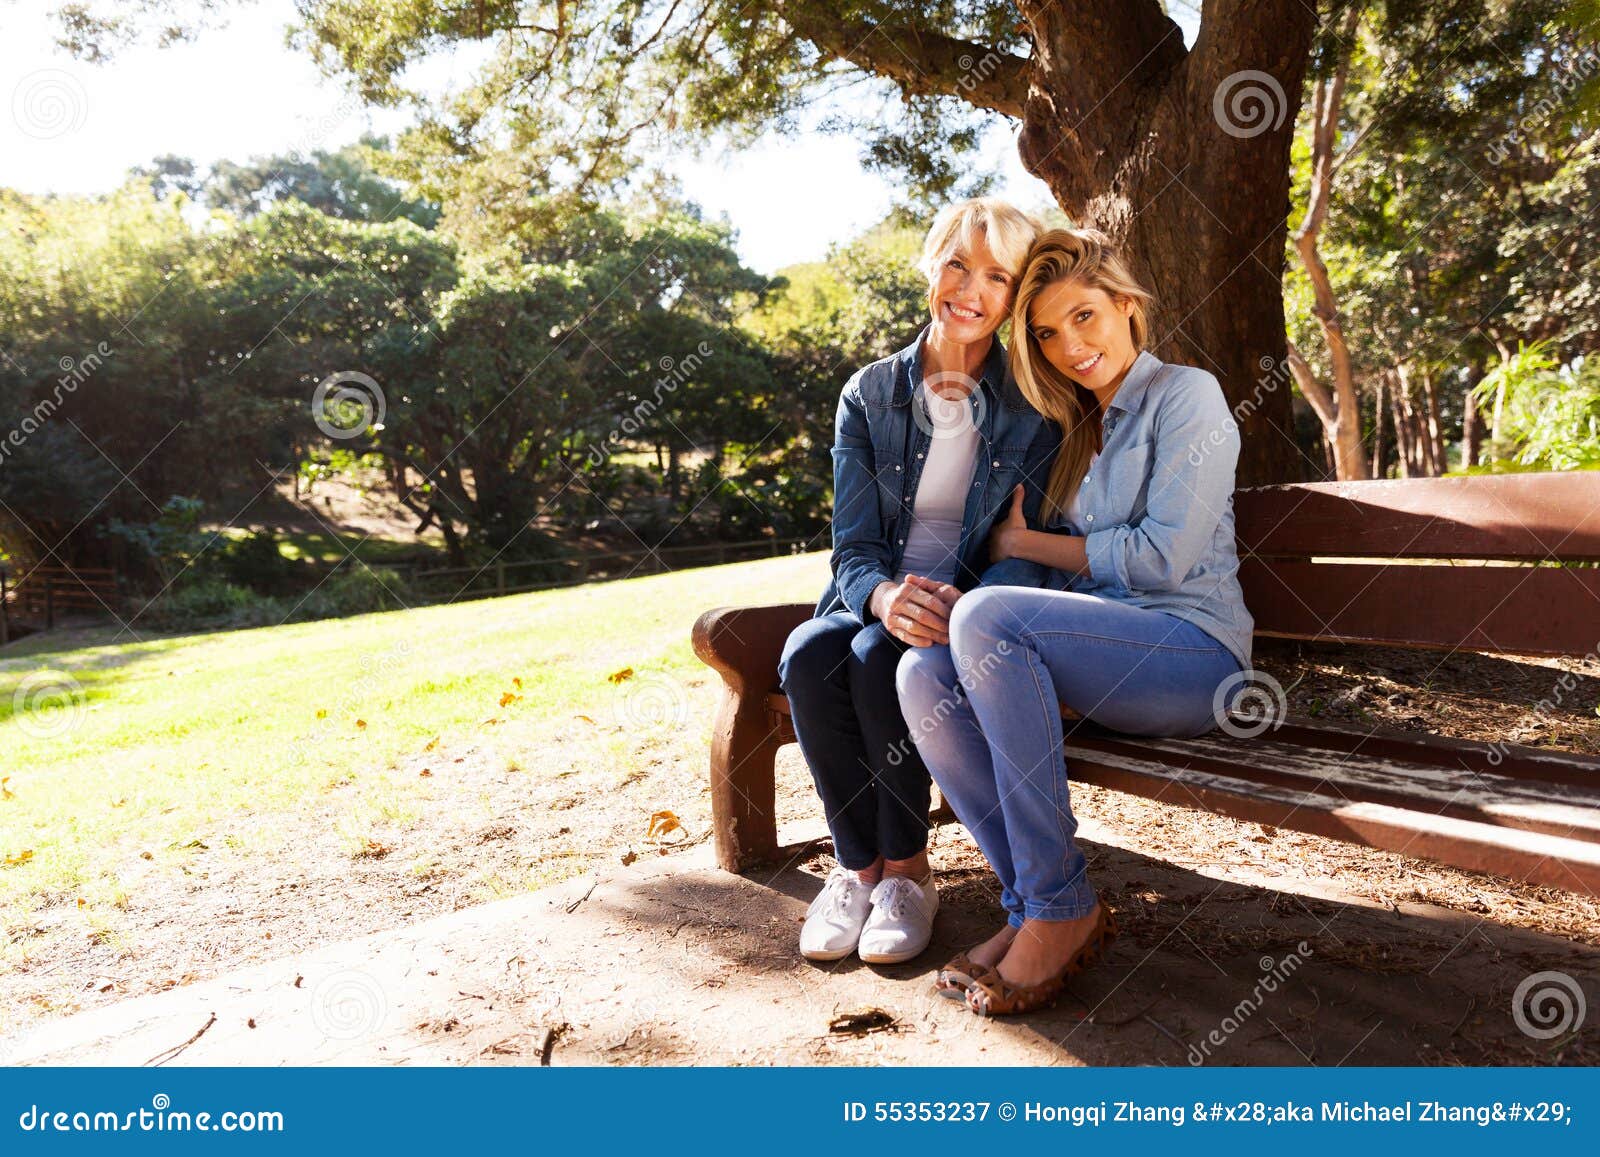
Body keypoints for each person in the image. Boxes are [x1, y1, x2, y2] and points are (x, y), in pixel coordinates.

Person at [896, 227, 1254, 1014]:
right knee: (923, 670)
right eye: (1048, 333)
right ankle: (1039, 903)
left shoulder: (1186, 395)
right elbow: (1041, 576)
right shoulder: (1076, 428)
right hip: (1109, 655)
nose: (1069, 345)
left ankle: (1056, 913)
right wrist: (980, 592)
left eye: (1085, 317)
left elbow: (1161, 561)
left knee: (988, 619)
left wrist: (1027, 547)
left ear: (1128, 306)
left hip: (1197, 656)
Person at [779, 197, 1056, 965]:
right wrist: (883, 595)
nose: (971, 289)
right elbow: (852, 548)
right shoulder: (868, 394)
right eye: (958, 264)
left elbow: (1031, 547)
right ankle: (855, 868)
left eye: (997, 276)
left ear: (1014, 297)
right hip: (873, 596)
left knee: (880, 660)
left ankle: (907, 874)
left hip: (965, 611)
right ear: (931, 266)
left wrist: (971, 605)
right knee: (810, 652)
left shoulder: (1034, 409)